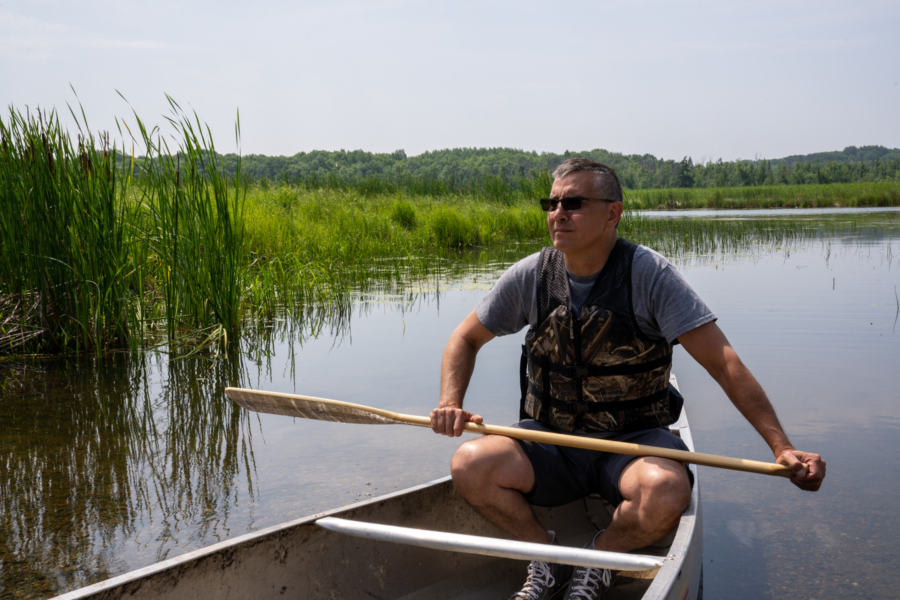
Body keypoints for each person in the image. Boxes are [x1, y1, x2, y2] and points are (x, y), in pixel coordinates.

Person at [430, 158, 826, 600]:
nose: (558, 213)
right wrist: (451, 400)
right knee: (469, 465)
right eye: (552, 202)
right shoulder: (533, 275)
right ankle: (548, 555)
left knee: (666, 490)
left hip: (633, 443)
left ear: (613, 213)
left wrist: (781, 447)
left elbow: (724, 365)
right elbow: (464, 338)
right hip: (551, 439)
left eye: (574, 203)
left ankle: (599, 558)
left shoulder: (648, 275)